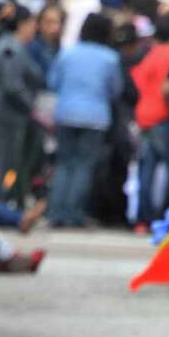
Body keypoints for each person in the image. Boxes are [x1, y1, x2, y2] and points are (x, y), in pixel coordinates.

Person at [46, 12, 122, 227]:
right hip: (96, 117)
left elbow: (53, 82)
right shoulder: (110, 58)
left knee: (64, 163)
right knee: (84, 166)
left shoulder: (67, 53)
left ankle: (55, 212)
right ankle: (73, 214)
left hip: (65, 113)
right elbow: (115, 90)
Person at [0, 4, 44, 206]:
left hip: (0, 112)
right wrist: (31, 106)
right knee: (0, 163)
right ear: (22, 24)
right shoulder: (12, 48)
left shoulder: (7, 45)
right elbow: (12, 84)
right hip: (6, 114)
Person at [131, 13, 169, 228]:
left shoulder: (149, 54)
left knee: (146, 168)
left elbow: (137, 78)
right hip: (163, 116)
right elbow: (168, 87)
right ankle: (162, 215)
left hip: (144, 115)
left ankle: (142, 218)